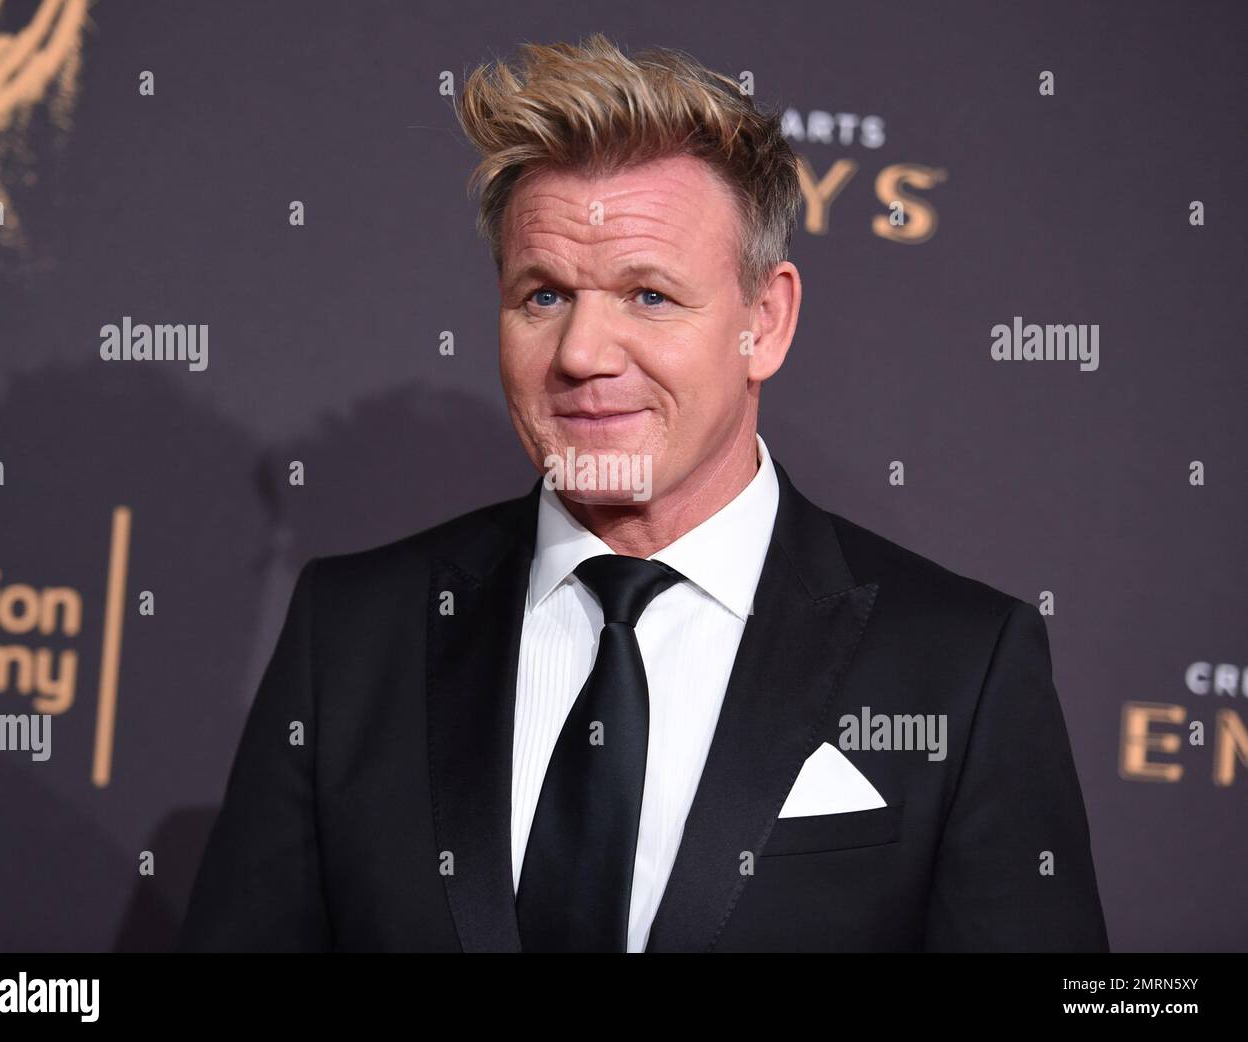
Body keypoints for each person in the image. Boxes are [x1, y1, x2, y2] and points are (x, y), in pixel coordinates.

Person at [179, 33, 1108, 953]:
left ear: (765, 322)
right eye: (543, 295)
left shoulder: (958, 666)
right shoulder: (351, 634)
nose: (582, 354)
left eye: (649, 297)